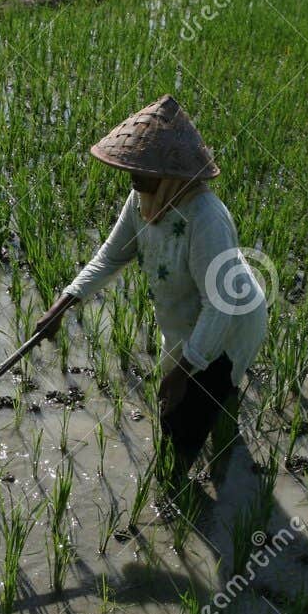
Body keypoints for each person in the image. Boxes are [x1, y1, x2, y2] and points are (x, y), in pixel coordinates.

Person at [35, 95, 268, 506]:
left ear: (171, 173)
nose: (132, 177)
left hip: (230, 327)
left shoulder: (205, 218)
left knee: (181, 424)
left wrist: (186, 369)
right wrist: (67, 300)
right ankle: (217, 450)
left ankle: (185, 499)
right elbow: (112, 255)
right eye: (132, 168)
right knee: (196, 404)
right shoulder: (144, 201)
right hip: (186, 323)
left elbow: (222, 305)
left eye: (143, 171)